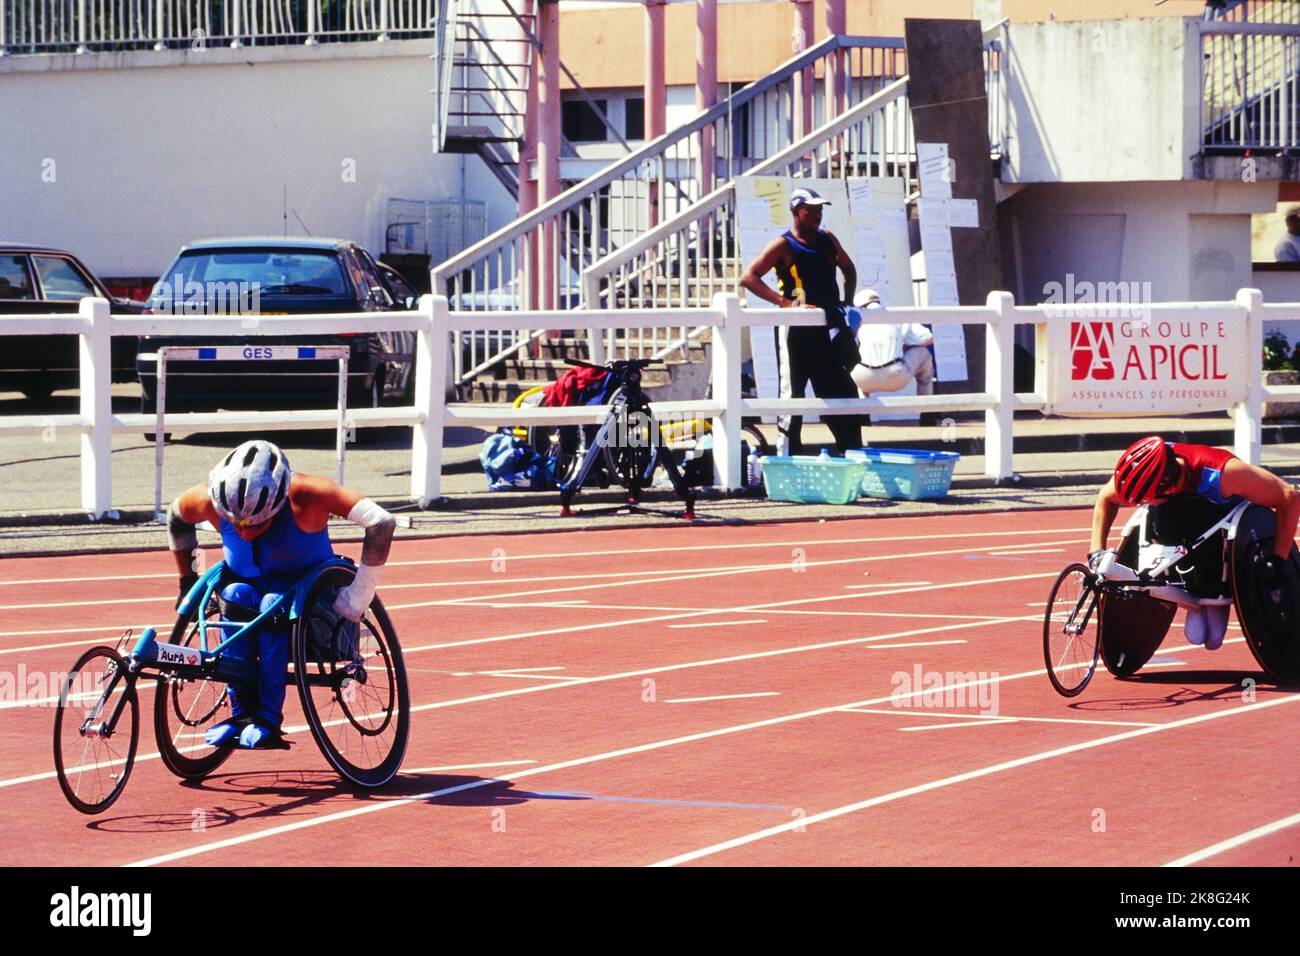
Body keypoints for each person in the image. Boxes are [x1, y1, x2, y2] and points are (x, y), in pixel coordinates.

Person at [167, 439, 397, 748]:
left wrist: (360, 594)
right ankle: (241, 714)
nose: (245, 532)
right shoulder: (206, 499)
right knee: (234, 594)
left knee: (271, 603)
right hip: (248, 595)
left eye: (256, 523)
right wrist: (186, 582)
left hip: (313, 607)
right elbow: (176, 516)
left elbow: (381, 522)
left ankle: (267, 718)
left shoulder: (306, 493)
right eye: (236, 523)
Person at [1089, 436, 1299, 649]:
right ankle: (1192, 588)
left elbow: (1289, 497)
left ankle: (1211, 588)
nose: (1141, 502)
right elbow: (1106, 498)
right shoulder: (1146, 469)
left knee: (1212, 638)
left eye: (1145, 498)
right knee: (1198, 635)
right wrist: (1096, 551)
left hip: (1220, 527)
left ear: (1168, 487)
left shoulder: (1226, 474)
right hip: (1179, 525)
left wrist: (1279, 558)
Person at [739, 187, 863, 455]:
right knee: (792, 394)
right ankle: (787, 457)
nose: (817, 215)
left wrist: (847, 300)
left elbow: (848, 268)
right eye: (811, 210)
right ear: (795, 211)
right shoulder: (783, 244)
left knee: (841, 390)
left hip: (827, 329)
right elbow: (749, 277)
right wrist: (786, 304)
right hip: (795, 332)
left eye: (820, 210)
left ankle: (853, 452)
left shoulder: (827, 239)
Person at [848, 288, 935, 398]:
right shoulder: (895, 314)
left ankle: (863, 413)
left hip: (864, 378)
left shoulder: (856, 318)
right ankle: (927, 408)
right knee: (924, 354)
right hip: (894, 376)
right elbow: (928, 338)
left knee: (855, 367)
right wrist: (903, 347)